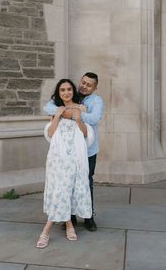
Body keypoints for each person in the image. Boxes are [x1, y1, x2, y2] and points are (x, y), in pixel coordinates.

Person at [36, 79, 93, 248]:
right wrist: (57, 117)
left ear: (72, 91)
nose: (66, 92)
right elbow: (51, 134)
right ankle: (68, 225)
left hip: (75, 157)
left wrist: (78, 119)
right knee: (61, 189)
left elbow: (85, 134)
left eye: (69, 89)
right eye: (62, 90)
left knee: (66, 189)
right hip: (58, 157)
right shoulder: (56, 109)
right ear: (59, 93)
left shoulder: (81, 108)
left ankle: (46, 231)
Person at [43, 72, 103, 231]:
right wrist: (63, 111)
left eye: (89, 85)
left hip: (88, 150)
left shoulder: (95, 101)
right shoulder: (69, 95)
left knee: (86, 182)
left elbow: (94, 119)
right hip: (65, 153)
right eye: (83, 82)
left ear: (95, 87)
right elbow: (48, 107)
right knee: (67, 183)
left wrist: (73, 114)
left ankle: (89, 217)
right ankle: (70, 217)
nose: (85, 86)